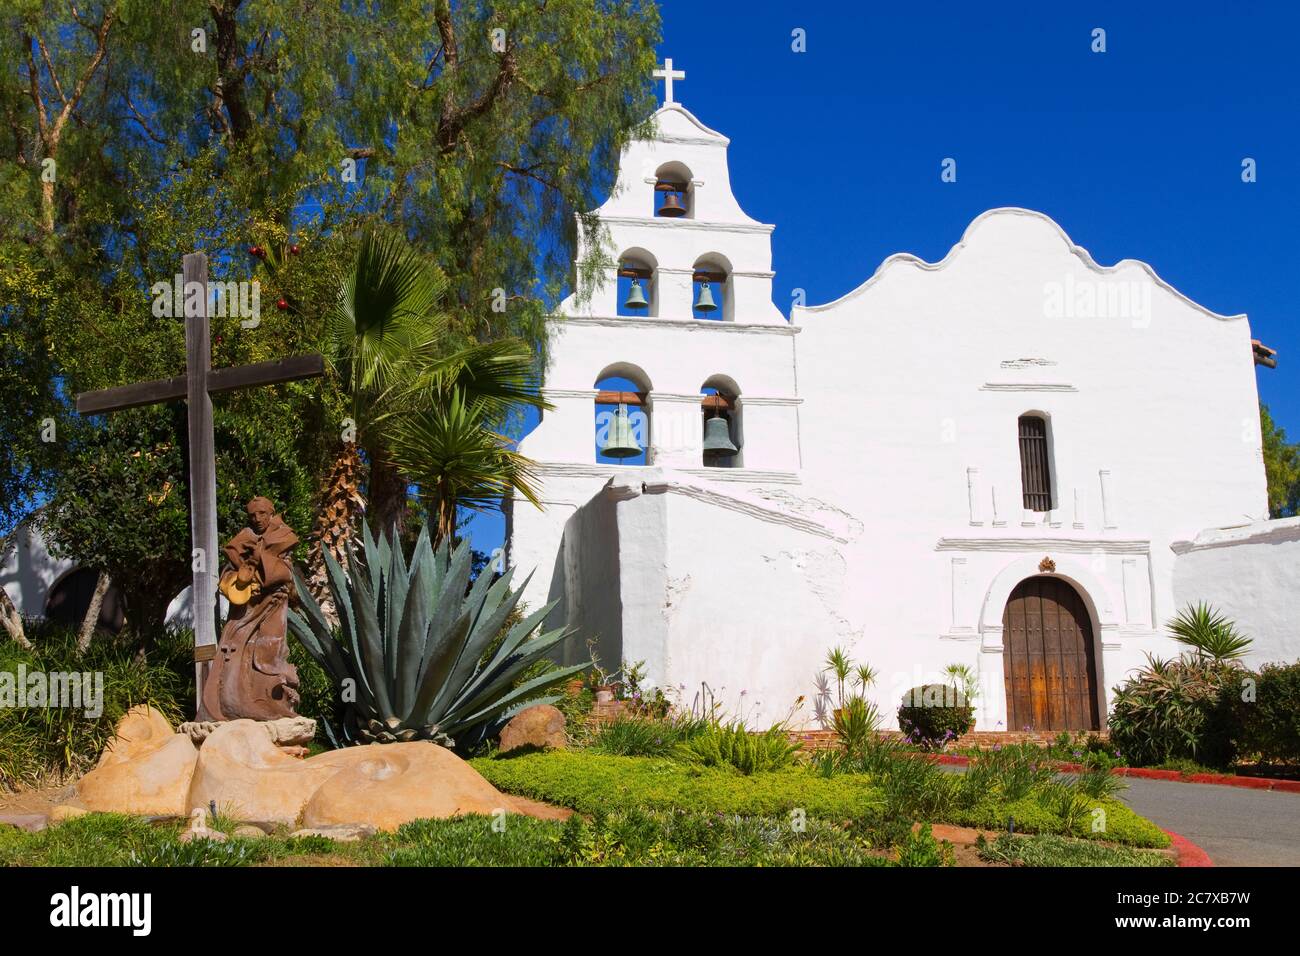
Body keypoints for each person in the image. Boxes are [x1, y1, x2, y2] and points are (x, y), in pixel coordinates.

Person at [199, 496, 301, 721]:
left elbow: (286, 573)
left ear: (271, 513)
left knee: (269, 652)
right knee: (233, 654)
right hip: (244, 611)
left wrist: (261, 570)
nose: (257, 519)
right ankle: (231, 706)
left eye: (262, 514)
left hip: (272, 607)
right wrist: (242, 581)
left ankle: (270, 706)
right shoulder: (242, 540)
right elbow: (227, 574)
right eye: (252, 515)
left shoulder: (283, 537)